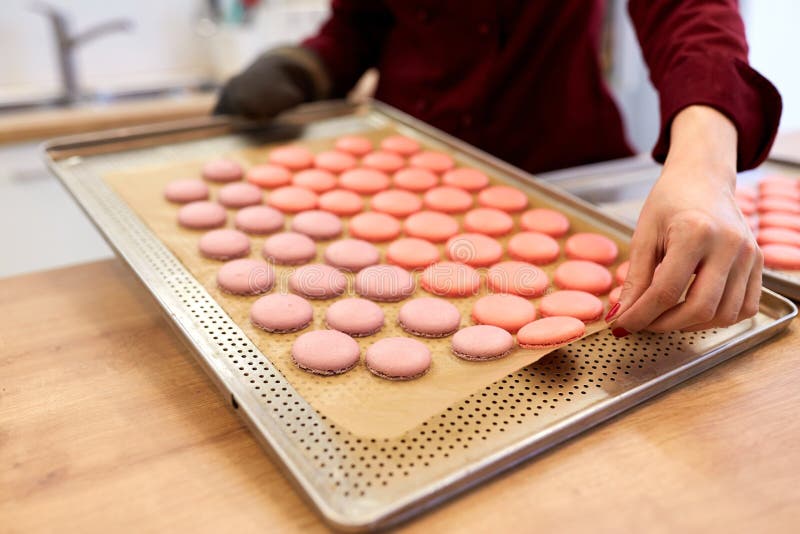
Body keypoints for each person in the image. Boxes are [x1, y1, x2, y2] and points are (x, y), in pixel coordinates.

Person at [214, 1, 781, 336]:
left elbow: (690, 11)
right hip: (403, 180)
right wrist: (305, 66)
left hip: (563, 178)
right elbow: (360, 23)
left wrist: (704, 165)